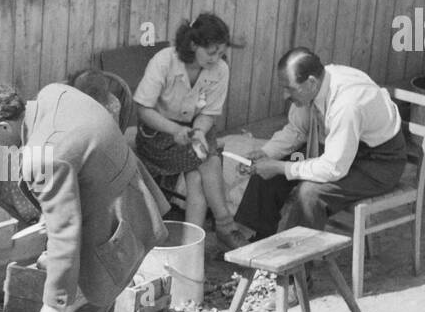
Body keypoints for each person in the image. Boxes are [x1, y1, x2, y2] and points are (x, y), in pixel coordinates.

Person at [0, 81, 167, 312]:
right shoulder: (54, 93)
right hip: (132, 196)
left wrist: (54, 302)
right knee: (100, 298)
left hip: (113, 225)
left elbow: (64, 233)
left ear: (3, 127)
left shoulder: (42, 158)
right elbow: (77, 155)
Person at [236, 48, 407, 240]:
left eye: (289, 88)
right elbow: (297, 130)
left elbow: (334, 168)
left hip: (378, 163)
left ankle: (293, 265)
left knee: (310, 194)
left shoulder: (346, 105)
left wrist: (281, 167)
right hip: (337, 147)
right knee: (267, 168)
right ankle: (256, 243)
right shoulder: (314, 86)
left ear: (311, 82)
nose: (285, 95)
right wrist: (267, 153)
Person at [132, 13, 249, 251]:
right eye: (211, 52)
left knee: (197, 176)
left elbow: (210, 113)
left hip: (196, 127)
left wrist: (198, 131)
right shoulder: (164, 60)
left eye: (220, 52)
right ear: (193, 44)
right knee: (206, 161)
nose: (216, 58)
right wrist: (175, 129)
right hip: (159, 133)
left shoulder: (220, 69)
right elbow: (143, 109)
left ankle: (191, 246)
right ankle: (225, 225)